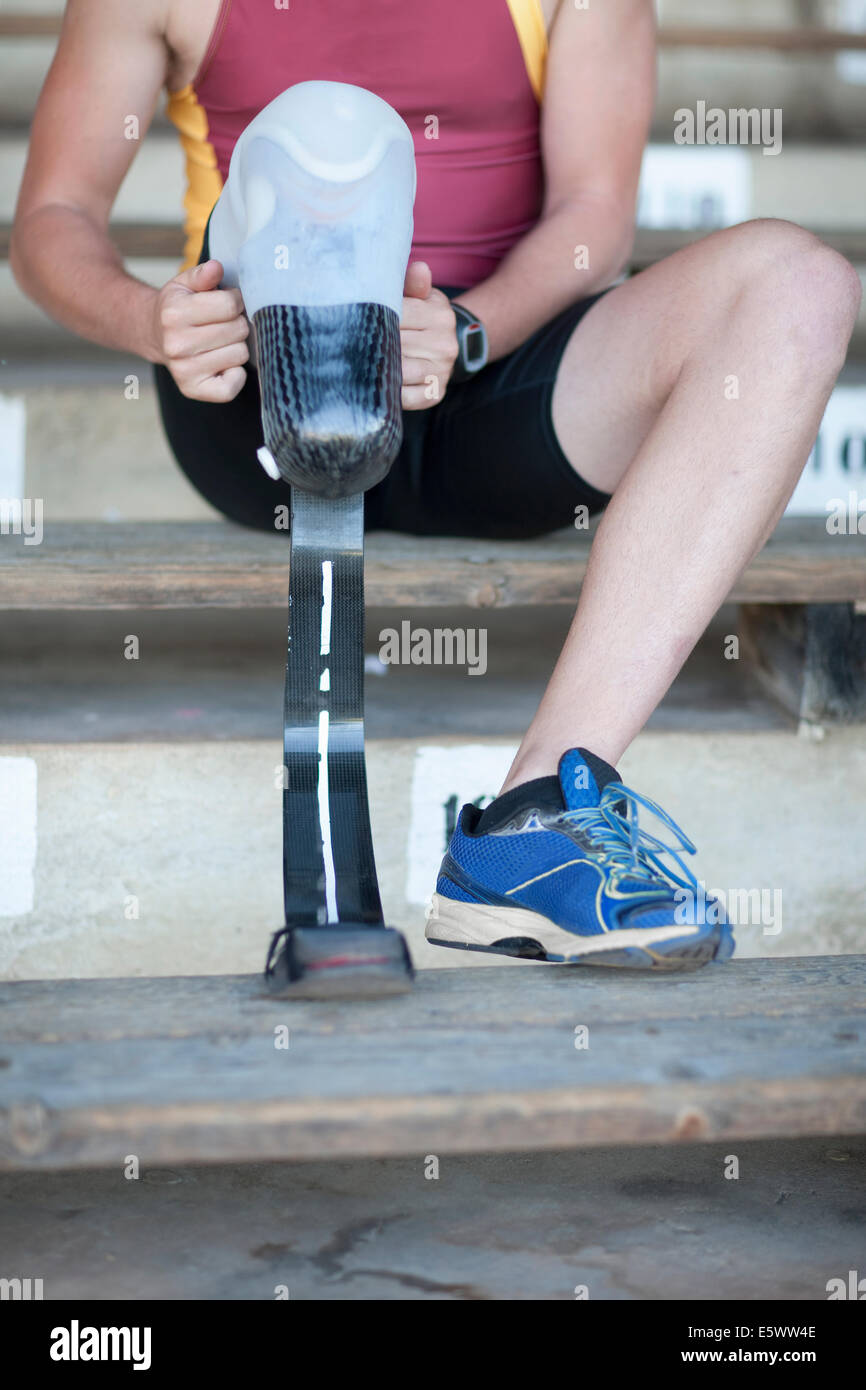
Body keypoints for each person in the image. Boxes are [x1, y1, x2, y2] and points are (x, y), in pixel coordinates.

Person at [11, 1, 861, 970]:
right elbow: (50, 220)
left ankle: (530, 826)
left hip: (489, 386)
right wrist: (148, 323)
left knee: (799, 283)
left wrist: (467, 329)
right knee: (331, 122)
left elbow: (593, 217)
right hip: (253, 393)